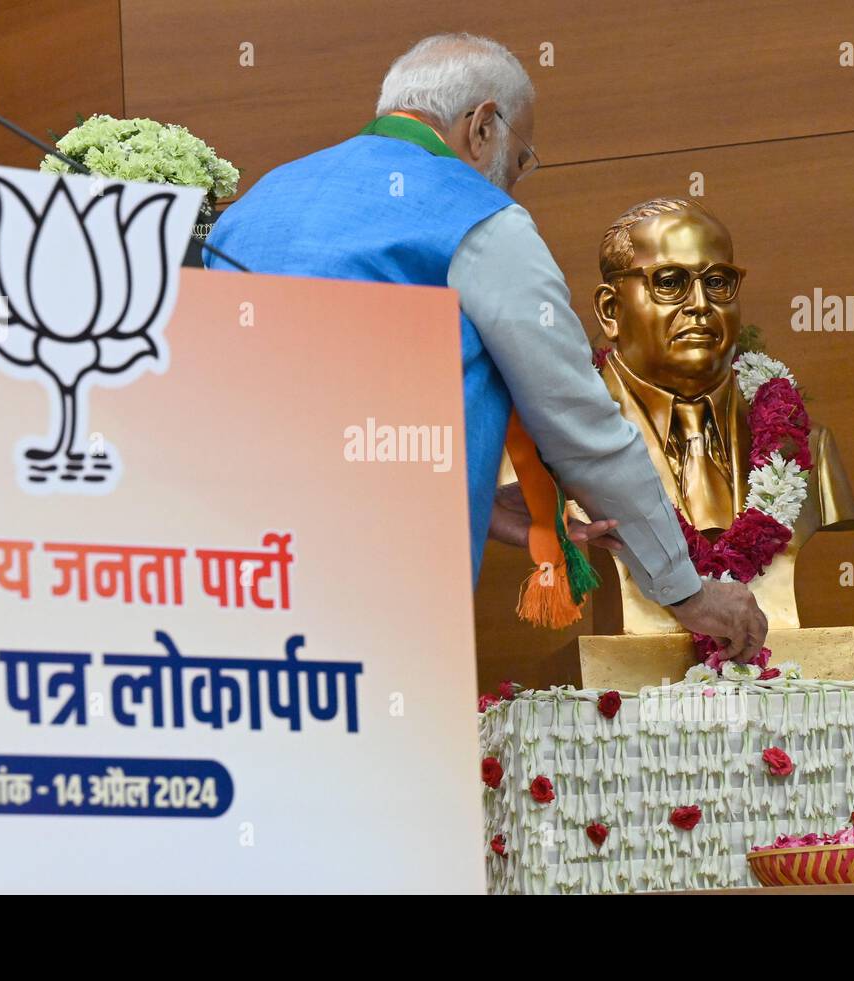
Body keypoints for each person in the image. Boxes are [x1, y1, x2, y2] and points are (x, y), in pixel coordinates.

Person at [206, 33, 767, 661]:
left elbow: (282, 402)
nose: (514, 187)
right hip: (375, 586)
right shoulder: (479, 218)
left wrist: (468, 494)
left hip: (224, 567)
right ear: (482, 127)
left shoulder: (251, 207)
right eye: (520, 160)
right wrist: (683, 588)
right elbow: (578, 424)